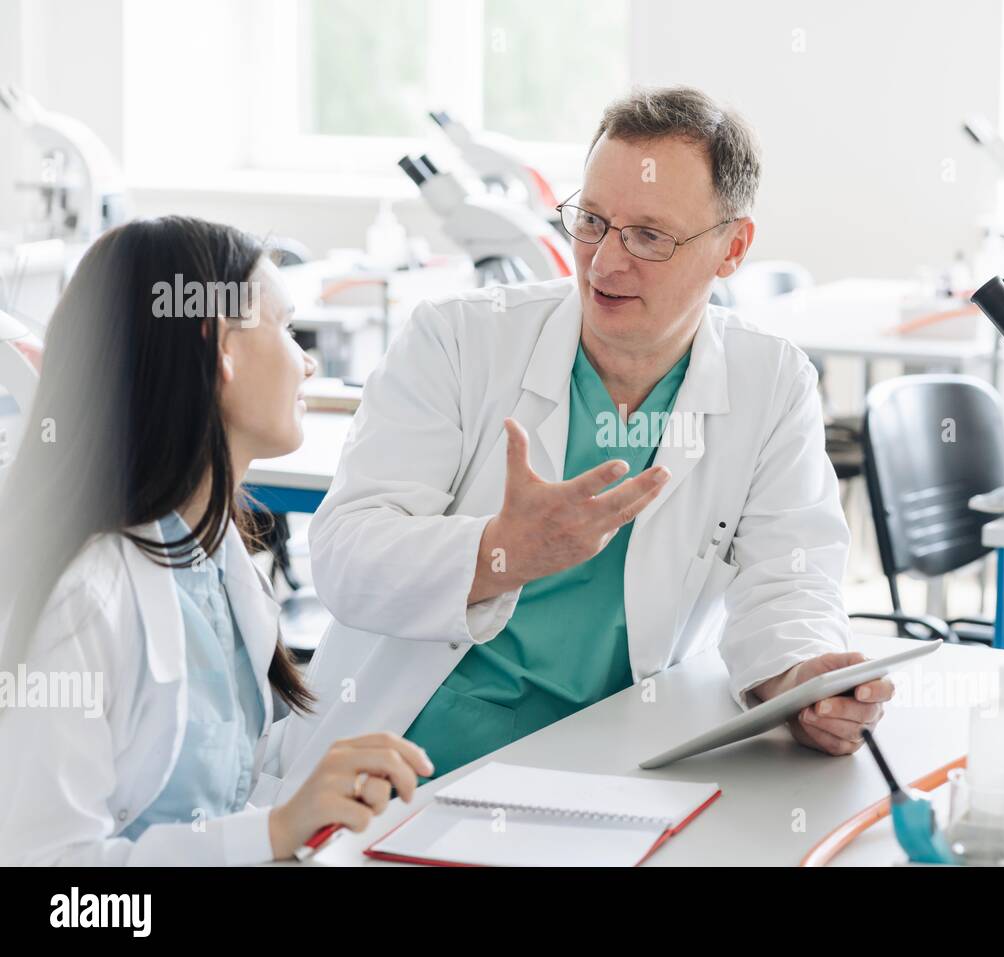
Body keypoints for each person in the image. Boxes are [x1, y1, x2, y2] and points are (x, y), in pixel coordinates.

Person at [278, 86, 894, 792]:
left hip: (605, 764)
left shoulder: (771, 380)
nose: (604, 263)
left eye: (650, 236)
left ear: (733, 248)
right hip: (411, 763)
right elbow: (345, 557)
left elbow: (789, 578)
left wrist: (800, 679)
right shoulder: (456, 339)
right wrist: (500, 552)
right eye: (592, 221)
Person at [0, 216, 431, 865]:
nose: (307, 359)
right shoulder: (89, 596)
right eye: (286, 329)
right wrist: (275, 830)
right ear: (220, 348)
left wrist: (305, 816)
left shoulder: (215, 559)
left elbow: (216, 807)